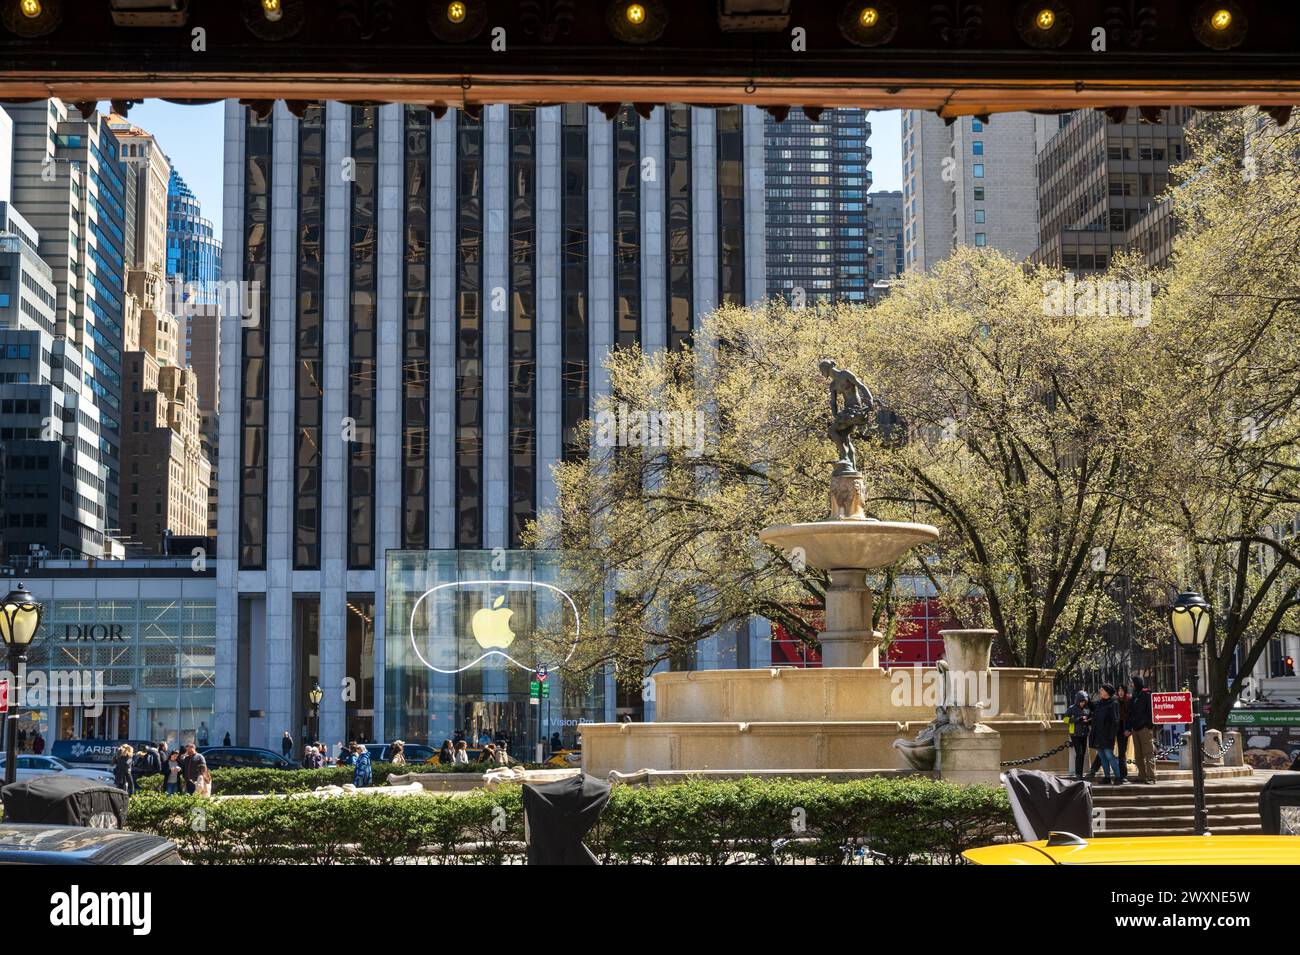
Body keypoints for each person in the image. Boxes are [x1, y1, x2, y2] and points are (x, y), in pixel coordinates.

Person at [1088, 684, 1122, 784]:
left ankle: (1118, 777)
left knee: (1109, 756)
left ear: (1107, 692)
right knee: (1102, 757)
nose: (1100, 691)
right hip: (1098, 734)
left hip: (1107, 736)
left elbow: (1115, 721)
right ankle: (1107, 777)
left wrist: (1111, 735)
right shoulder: (1099, 703)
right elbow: (1094, 712)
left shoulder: (1114, 703)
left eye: (1102, 690)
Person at [1128, 675, 1157, 784]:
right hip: (1135, 728)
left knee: (1148, 753)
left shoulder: (1146, 695)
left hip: (1144, 728)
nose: (1131, 685)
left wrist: (1149, 725)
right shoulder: (1134, 696)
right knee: (1138, 754)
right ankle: (1142, 776)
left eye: (1132, 683)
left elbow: (1151, 711)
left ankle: (1151, 777)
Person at [1067, 690, 1091, 780]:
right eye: (1081, 701)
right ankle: (1078, 774)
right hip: (1075, 735)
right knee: (1079, 754)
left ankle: (1080, 774)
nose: (1082, 703)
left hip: (1084, 735)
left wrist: (1088, 720)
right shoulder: (1071, 708)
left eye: (1084, 702)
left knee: (1083, 754)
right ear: (1077, 701)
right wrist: (1077, 719)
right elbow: (1065, 719)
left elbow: (1090, 717)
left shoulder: (1087, 709)